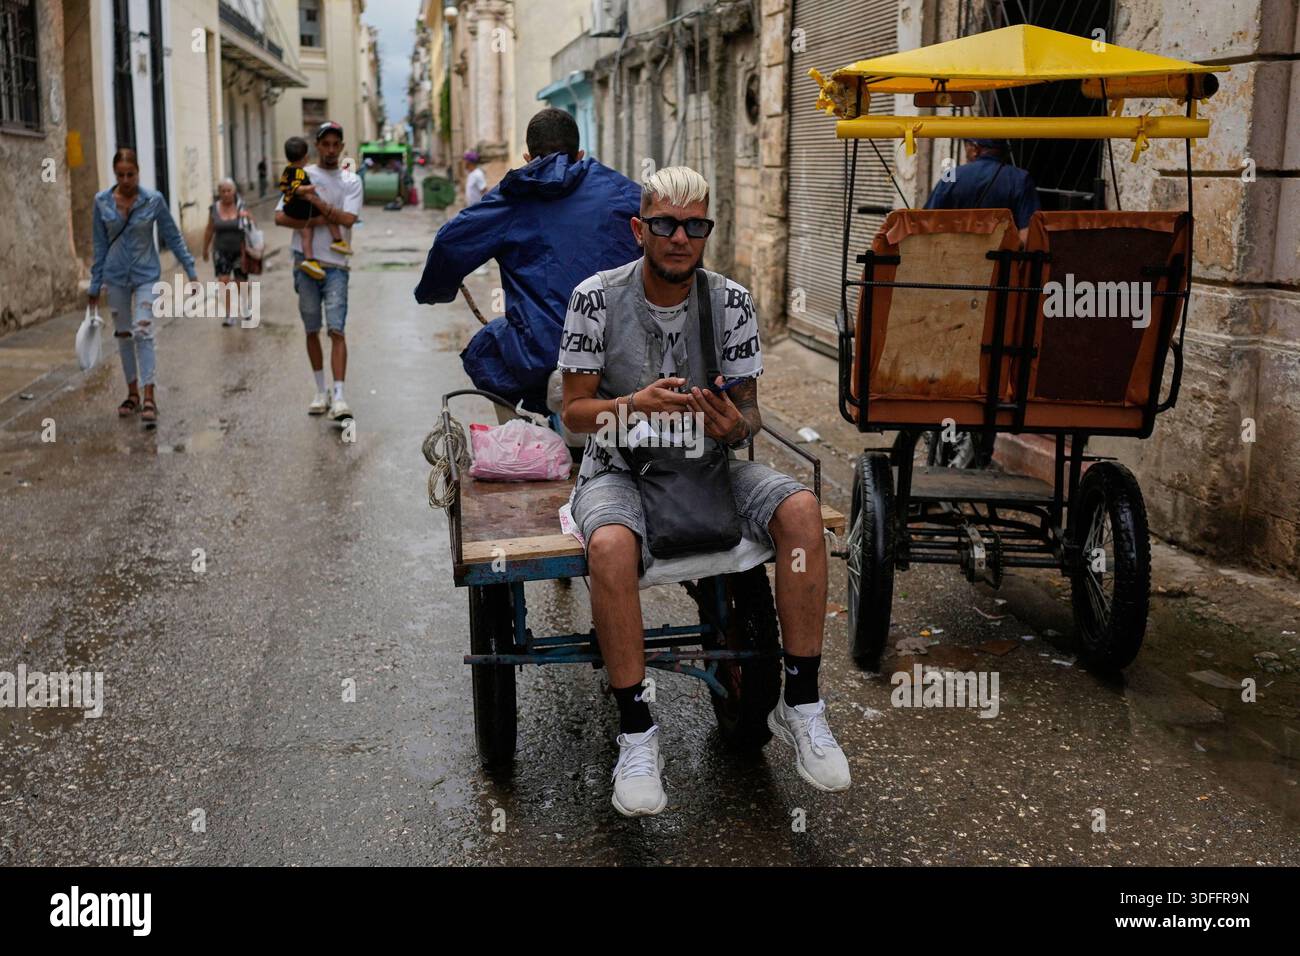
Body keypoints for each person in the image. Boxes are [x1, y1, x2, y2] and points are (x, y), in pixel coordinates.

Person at [558, 166, 850, 818]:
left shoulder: (732, 304)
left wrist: (733, 423)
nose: (679, 238)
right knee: (608, 548)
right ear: (640, 229)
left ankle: (801, 703)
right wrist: (631, 405)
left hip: (709, 469)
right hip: (619, 469)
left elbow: (748, 413)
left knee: (801, 511)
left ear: (707, 232)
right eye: (664, 224)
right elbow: (573, 417)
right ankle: (637, 730)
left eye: (695, 226)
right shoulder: (595, 300)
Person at [414, 108, 642, 416]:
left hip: (545, 353)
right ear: (580, 154)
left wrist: (436, 290)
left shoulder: (513, 197)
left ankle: (514, 442)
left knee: (487, 351)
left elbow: (449, 242)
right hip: (624, 347)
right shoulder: (626, 192)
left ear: (527, 158)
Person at [88, 147, 198, 427]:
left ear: (138, 172)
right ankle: (132, 393)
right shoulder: (101, 201)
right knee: (123, 334)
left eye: (131, 174)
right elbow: (99, 245)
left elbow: (172, 235)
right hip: (115, 276)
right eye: (121, 175)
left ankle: (150, 395)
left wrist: (190, 270)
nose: (126, 180)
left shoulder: (153, 200)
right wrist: (94, 283)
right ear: (115, 174)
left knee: (143, 328)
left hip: (146, 274)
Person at [273, 121, 364, 421]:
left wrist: (314, 203)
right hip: (305, 262)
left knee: (336, 328)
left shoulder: (351, 181)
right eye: (325, 144)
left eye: (335, 144)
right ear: (317, 146)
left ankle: (339, 395)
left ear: (341, 147)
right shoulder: (303, 175)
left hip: (337, 265)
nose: (330, 149)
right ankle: (320, 390)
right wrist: (318, 218)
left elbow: (349, 219)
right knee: (311, 329)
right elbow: (279, 217)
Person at [924, 138, 1040, 244]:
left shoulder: (952, 176)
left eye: (967, 145)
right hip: (1001, 262)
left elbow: (927, 221)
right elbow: (1028, 233)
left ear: (975, 149)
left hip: (953, 259)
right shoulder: (1020, 179)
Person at [279, 135, 353, 281]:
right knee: (328, 213)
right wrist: (307, 189)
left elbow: (283, 186)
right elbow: (295, 187)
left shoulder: (287, 171)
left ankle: (309, 259)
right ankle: (337, 241)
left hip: (291, 206)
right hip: (301, 205)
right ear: (305, 157)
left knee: (306, 235)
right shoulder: (300, 172)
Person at [202, 178, 252, 327]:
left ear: (234, 191)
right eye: (223, 191)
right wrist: (205, 249)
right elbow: (209, 229)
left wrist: (248, 219)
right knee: (223, 282)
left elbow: (251, 225)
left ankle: (244, 307)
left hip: (240, 250)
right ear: (219, 193)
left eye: (229, 190)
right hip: (221, 251)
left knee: (240, 283)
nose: (226, 194)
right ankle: (229, 315)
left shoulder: (241, 206)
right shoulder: (214, 208)